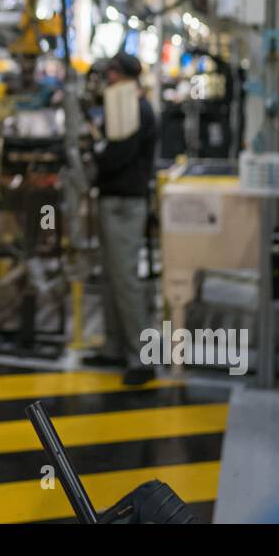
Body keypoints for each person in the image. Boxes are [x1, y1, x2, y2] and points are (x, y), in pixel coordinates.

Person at [85, 53, 159, 386]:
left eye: (112, 72)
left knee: (126, 281)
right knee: (113, 279)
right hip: (114, 201)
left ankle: (142, 359)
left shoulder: (136, 110)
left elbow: (118, 154)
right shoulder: (123, 105)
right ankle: (115, 347)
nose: (108, 79)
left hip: (125, 205)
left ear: (124, 75)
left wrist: (96, 154)